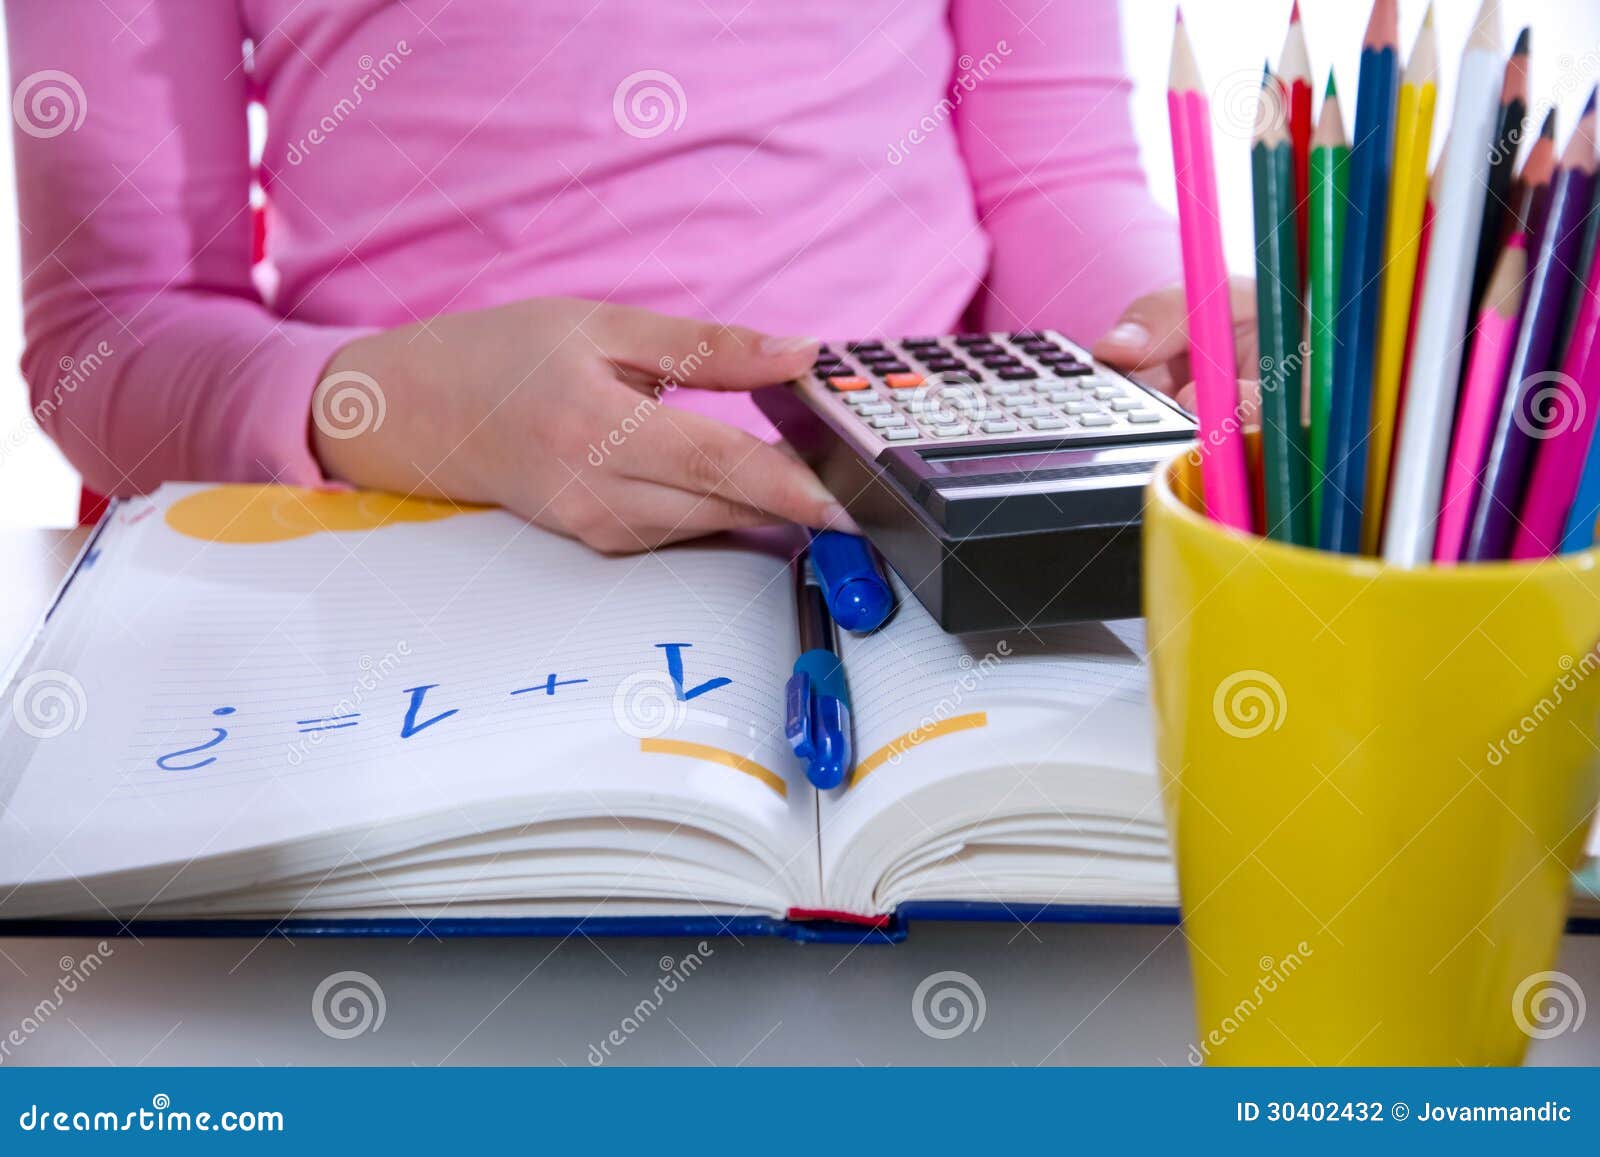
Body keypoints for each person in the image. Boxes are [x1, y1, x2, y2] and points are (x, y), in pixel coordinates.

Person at [7, 0, 1253, 552]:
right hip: (403, 564)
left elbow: (1049, 181)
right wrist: (399, 405)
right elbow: (107, 337)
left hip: (902, 554)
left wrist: (1159, 319)